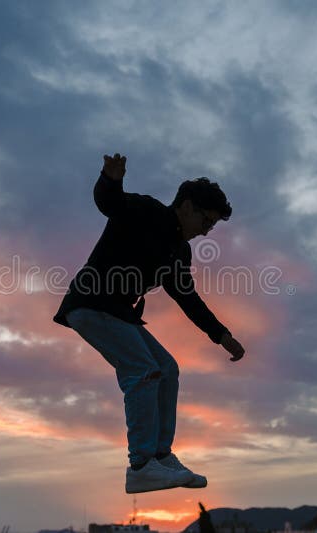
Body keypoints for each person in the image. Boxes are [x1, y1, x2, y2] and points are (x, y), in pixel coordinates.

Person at [53, 153, 246, 493]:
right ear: (186, 206)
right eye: (205, 221)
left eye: (212, 226)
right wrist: (110, 179)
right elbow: (109, 202)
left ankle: (159, 456)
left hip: (119, 313)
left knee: (167, 369)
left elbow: (186, 296)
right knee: (143, 369)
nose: (206, 231)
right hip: (90, 303)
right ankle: (141, 465)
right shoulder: (146, 211)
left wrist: (222, 335)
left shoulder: (178, 251)